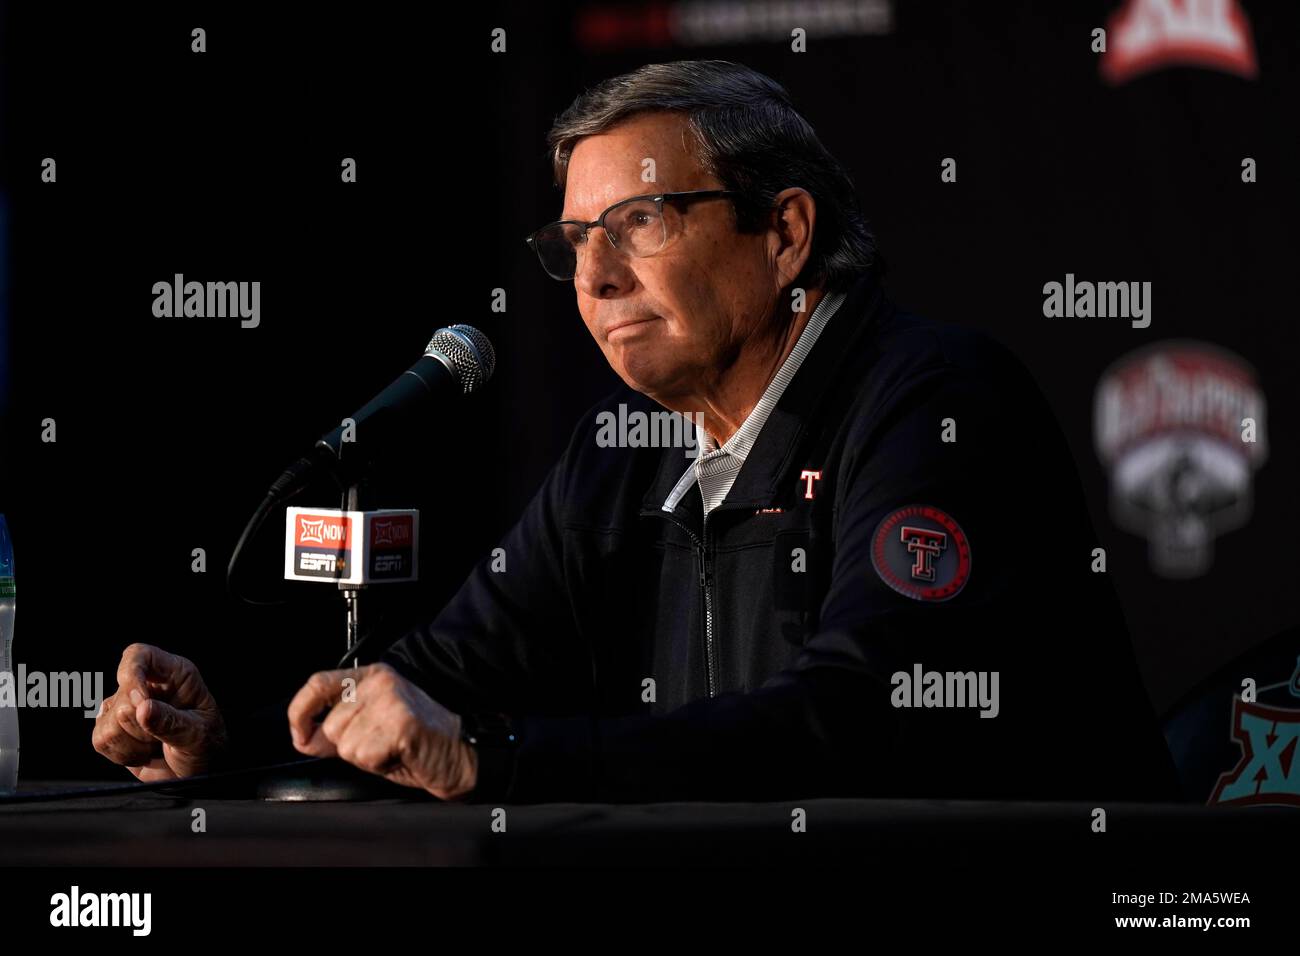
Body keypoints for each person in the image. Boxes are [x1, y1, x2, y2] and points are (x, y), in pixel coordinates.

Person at [93, 60, 1179, 804]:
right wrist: (230, 726)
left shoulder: (936, 400)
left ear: (784, 234)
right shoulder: (625, 450)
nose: (595, 276)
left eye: (639, 223)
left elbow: (861, 720)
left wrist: (495, 759)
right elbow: (438, 682)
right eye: (572, 242)